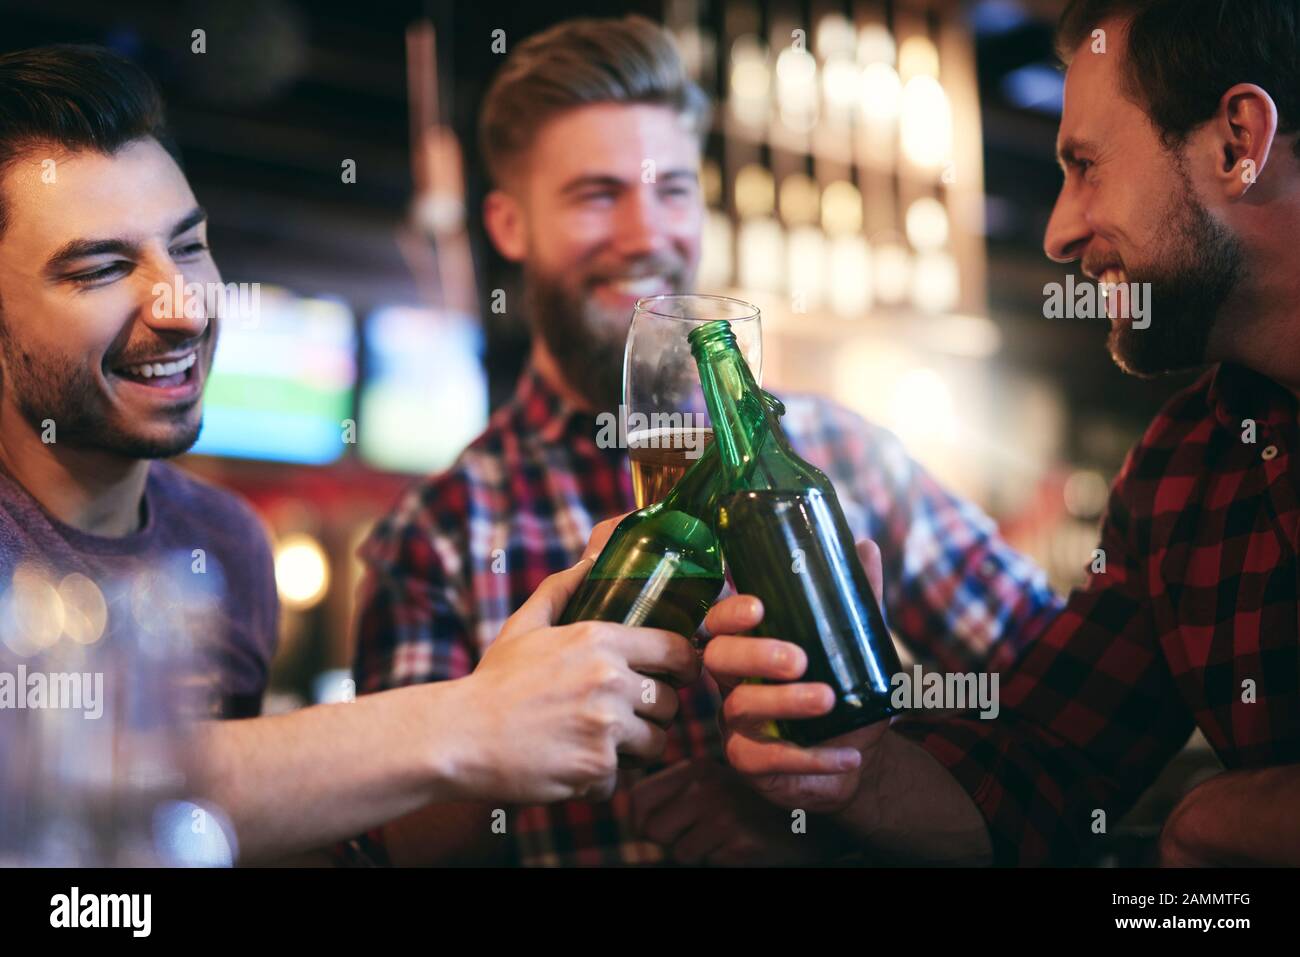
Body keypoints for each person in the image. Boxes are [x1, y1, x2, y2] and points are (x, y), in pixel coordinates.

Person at [352, 15, 1061, 866]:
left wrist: (842, 791)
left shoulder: (844, 450)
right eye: (598, 193)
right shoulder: (437, 529)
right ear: (508, 225)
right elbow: (401, 851)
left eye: (674, 189)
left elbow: (1059, 695)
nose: (649, 233)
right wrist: (498, 724)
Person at [0, 43, 697, 865]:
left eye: (188, 248)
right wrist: (474, 718)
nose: (183, 308)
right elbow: (37, 806)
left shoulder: (222, 543)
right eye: (103, 267)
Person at [707, 0, 1300, 867]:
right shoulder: (1183, 470)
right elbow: (1039, 771)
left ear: (1236, 143)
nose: (1059, 231)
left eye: (1086, 165)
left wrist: (1233, 819)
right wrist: (856, 767)